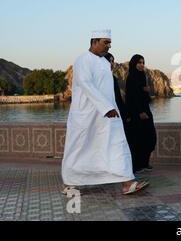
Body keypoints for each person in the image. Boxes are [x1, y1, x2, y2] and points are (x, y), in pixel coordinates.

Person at [61, 30, 148, 195]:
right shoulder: (82, 60)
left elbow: (108, 90)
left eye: (110, 43)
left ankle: (127, 183)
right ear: (94, 41)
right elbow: (86, 84)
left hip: (108, 115)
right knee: (80, 148)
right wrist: (106, 107)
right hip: (86, 115)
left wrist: (111, 108)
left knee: (117, 145)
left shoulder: (103, 62)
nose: (109, 46)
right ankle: (68, 183)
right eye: (105, 42)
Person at [125, 54, 157, 173]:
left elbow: (144, 97)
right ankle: (137, 165)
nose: (141, 65)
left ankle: (144, 163)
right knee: (138, 139)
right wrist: (139, 112)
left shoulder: (143, 77)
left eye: (143, 62)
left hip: (146, 111)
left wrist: (147, 92)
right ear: (134, 64)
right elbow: (131, 98)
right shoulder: (131, 78)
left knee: (150, 138)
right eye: (139, 62)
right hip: (137, 113)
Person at [103, 53, 127, 121]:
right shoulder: (101, 77)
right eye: (109, 61)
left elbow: (117, 96)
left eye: (112, 61)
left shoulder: (113, 77)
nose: (111, 63)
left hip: (116, 110)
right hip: (108, 112)